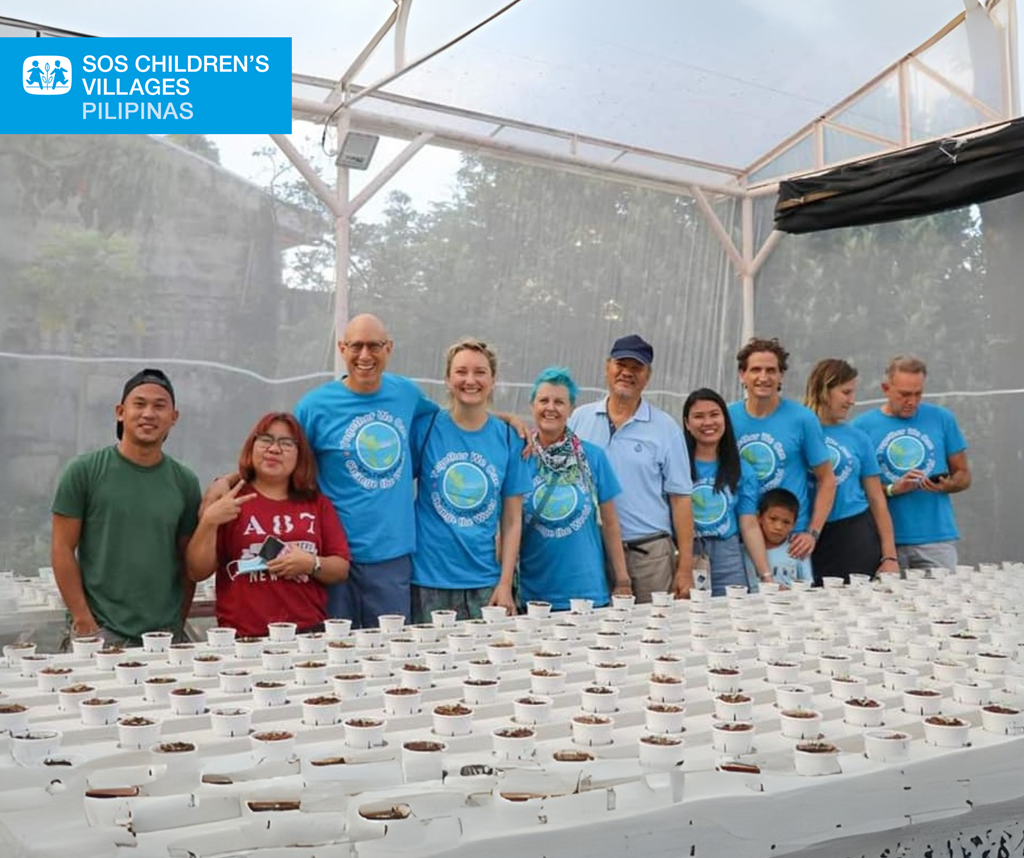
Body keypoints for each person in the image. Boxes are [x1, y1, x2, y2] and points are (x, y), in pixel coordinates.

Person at [291, 313, 439, 628]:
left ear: (389, 348)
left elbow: (453, 423)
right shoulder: (313, 407)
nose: (364, 356)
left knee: (391, 655)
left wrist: (504, 420)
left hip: (391, 557)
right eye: (356, 346)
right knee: (336, 654)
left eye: (374, 346)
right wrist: (236, 480)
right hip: (333, 558)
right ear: (342, 348)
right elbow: (284, 464)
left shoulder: (406, 394)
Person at [51, 368, 202, 647]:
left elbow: (188, 563)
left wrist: (177, 621)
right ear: (120, 412)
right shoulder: (84, 472)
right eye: (139, 404)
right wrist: (83, 619)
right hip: (101, 630)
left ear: (173, 418)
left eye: (159, 406)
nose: (148, 414)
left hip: (164, 635)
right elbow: (61, 548)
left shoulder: (185, 482)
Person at [186, 413, 351, 637]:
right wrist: (209, 522)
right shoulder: (230, 498)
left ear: (300, 454)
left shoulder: (317, 504)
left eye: (286, 443)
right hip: (243, 637)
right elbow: (197, 571)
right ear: (251, 446)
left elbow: (340, 567)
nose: (274, 449)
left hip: (307, 634)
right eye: (265, 440)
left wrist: (312, 563)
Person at [410, 338, 531, 622]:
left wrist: (504, 583)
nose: (470, 380)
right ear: (447, 379)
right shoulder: (424, 429)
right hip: (428, 579)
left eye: (480, 372)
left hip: (485, 583)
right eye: (461, 372)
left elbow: (513, 521)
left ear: (493, 380)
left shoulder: (509, 438)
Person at [568, 335, 694, 602]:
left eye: (636, 367)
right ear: (607, 367)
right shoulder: (580, 418)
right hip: (593, 551)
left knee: (653, 633)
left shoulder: (665, 427)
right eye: (620, 364)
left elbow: (681, 499)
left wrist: (684, 567)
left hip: (649, 555)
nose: (626, 373)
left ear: (647, 376)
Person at [519, 367, 631, 610]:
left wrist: (622, 580)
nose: (551, 408)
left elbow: (611, 523)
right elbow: (507, 526)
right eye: (543, 400)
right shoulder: (520, 456)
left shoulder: (593, 457)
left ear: (570, 409)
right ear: (532, 406)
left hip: (586, 593)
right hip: (535, 595)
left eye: (559, 402)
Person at [853, 355, 971, 571]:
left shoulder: (942, 418)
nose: (913, 402)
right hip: (883, 541)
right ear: (886, 388)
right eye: (905, 394)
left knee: (942, 602)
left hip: (936, 539)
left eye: (918, 394)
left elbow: (963, 474)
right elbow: (852, 488)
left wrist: (948, 484)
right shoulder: (861, 427)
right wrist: (891, 489)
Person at [728, 337, 835, 562]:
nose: (763, 377)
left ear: (781, 376)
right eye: (756, 370)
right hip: (739, 536)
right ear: (742, 375)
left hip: (790, 543)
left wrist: (812, 533)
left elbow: (826, 479)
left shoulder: (802, 419)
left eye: (771, 370)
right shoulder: (726, 418)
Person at [804, 359, 899, 583]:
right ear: (825, 389)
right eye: (845, 392)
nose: (851, 401)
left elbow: (876, 499)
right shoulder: (799, 429)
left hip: (853, 534)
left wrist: (890, 556)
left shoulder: (857, 437)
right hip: (806, 535)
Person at [682, 388, 771, 595]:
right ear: (687, 423)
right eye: (698, 416)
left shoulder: (741, 469)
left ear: (725, 419)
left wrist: (766, 575)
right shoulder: (676, 465)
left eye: (714, 415)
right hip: (687, 551)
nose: (708, 423)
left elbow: (748, 524)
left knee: (733, 614)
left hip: (727, 554)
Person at [743, 489, 813, 588]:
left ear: (794, 524)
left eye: (786, 522)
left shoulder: (798, 548)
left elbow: (807, 585)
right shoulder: (746, 550)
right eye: (773, 519)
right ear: (759, 517)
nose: (778, 527)